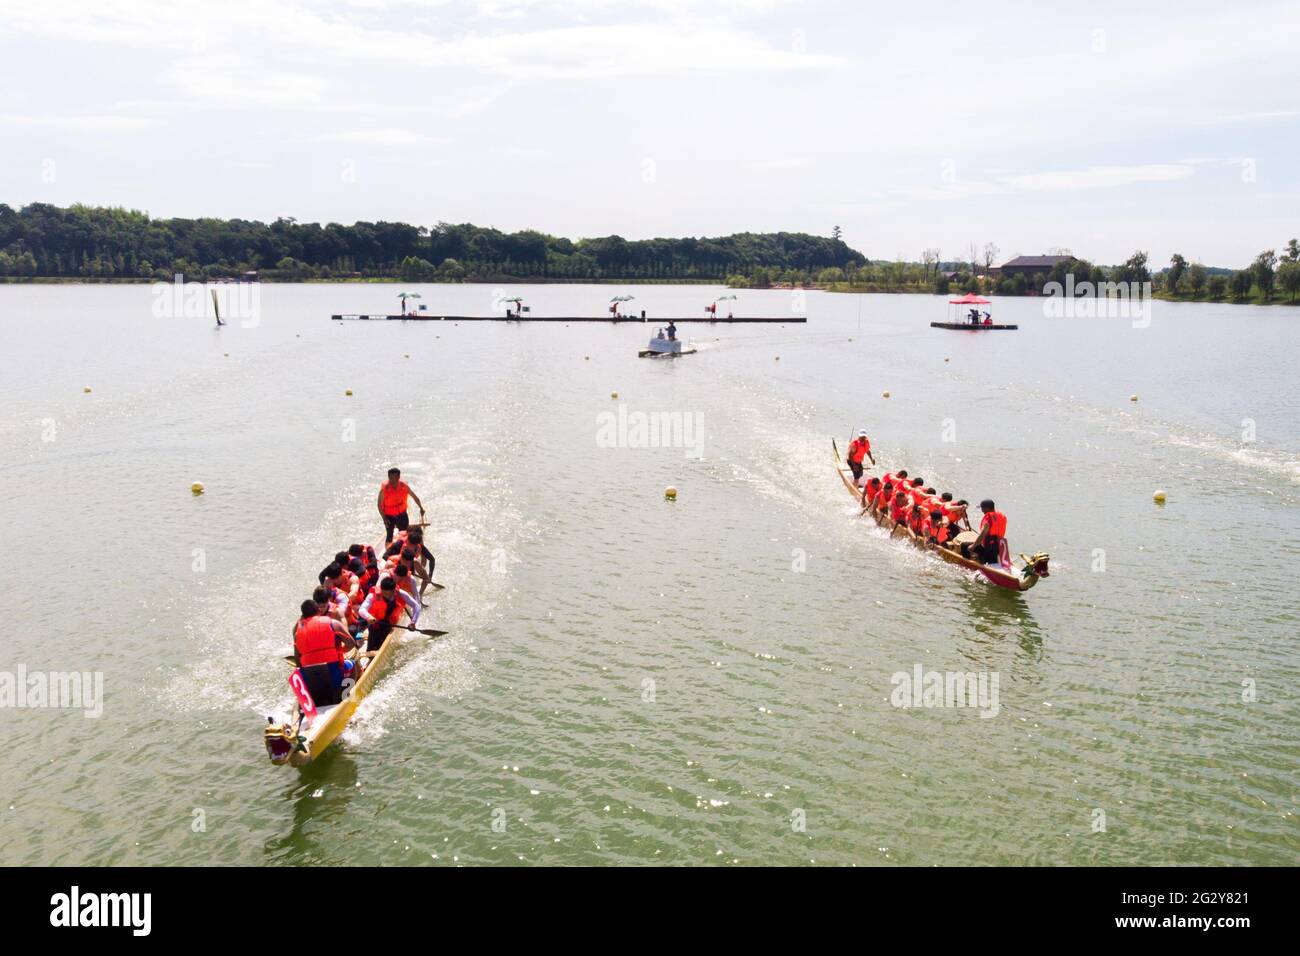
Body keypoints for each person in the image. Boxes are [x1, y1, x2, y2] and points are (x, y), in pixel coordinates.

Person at [293, 599, 358, 707]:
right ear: (319, 611)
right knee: (351, 664)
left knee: (302, 673)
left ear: (303, 615)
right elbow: (351, 643)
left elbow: (297, 659)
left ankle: (311, 701)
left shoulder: (297, 632)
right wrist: (339, 652)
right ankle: (346, 696)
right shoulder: (333, 623)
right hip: (332, 670)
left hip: (310, 676)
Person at [357, 577, 420, 652]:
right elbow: (362, 609)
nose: (388, 596)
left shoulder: (401, 593)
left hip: (391, 624)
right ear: (381, 590)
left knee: (382, 640)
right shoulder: (372, 596)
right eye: (385, 593)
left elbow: (416, 606)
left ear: (394, 590)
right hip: (376, 623)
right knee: (371, 647)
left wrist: (413, 622)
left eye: (391, 593)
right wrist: (368, 617)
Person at [378, 468, 425, 544]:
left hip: (401, 514)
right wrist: (384, 518)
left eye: (394, 478)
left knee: (404, 533)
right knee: (389, 535)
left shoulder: (404, 486)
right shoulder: (384, 489)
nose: (392, 480)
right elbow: (379, 505)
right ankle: (387, 554)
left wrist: (421, 508)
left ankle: (404, 550)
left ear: (399, 477)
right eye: (390, 478)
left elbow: (415, 497)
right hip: (388, 515)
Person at [966, 499, 1008, 565]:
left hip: (988, 546)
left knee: (964, 546)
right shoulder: (1002, 515)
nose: (982, 510)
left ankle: (969, 565)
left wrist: (973, 546)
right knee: (992, 561)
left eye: (982, 508)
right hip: (999, 546)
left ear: (986, 508)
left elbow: (983, 533)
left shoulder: (988, 517)